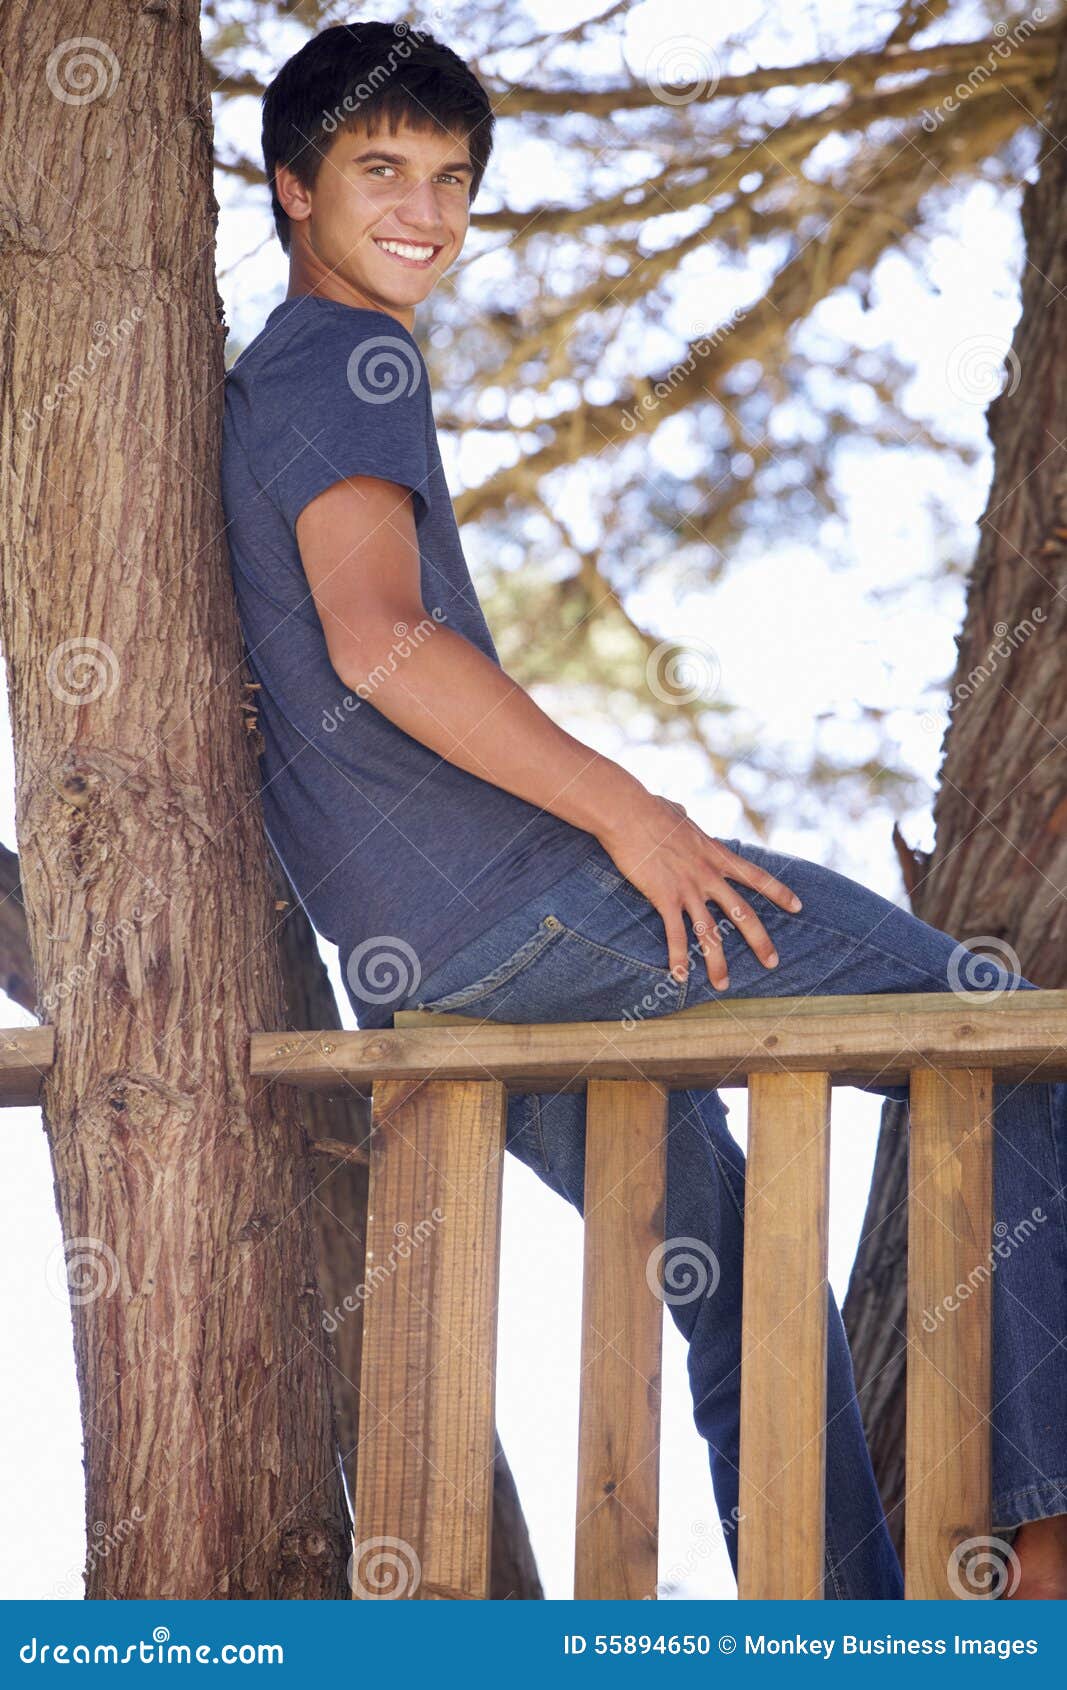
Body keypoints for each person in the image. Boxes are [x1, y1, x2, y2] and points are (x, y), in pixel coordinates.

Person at [220, 20, 1067, 1600]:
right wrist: (634, 816)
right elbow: (380, 639)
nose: (424, 210)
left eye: (452, 178)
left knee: (730, 1256)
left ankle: (831, 1619)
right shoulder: (347, 361)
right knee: (998, 1019)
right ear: (290, 191)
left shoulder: (265, 384)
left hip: (428, 967)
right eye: (378, 170)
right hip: (535, 913)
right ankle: (1049, 1526)